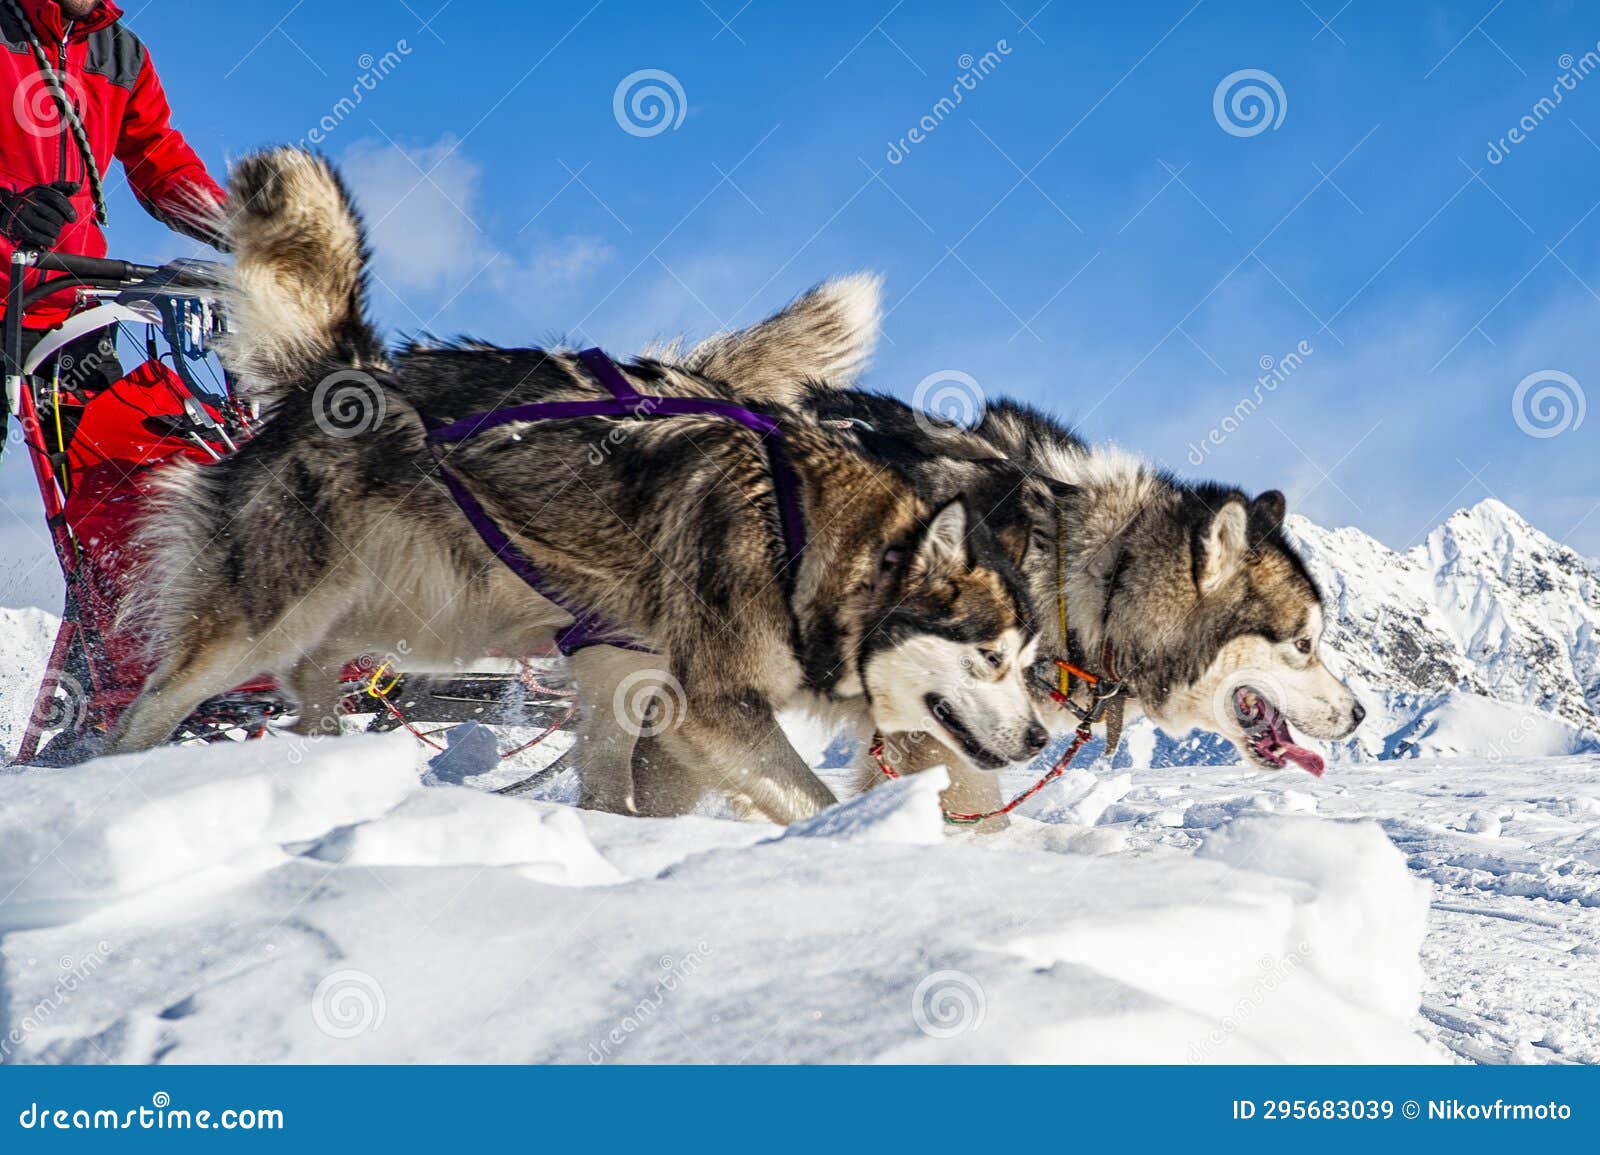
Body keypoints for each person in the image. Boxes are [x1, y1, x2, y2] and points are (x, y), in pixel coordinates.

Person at [2, 0, 225, 389]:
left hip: (72, 311)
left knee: (127, 445)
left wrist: (237, 224)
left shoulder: (125, 54)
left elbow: (161, 164)